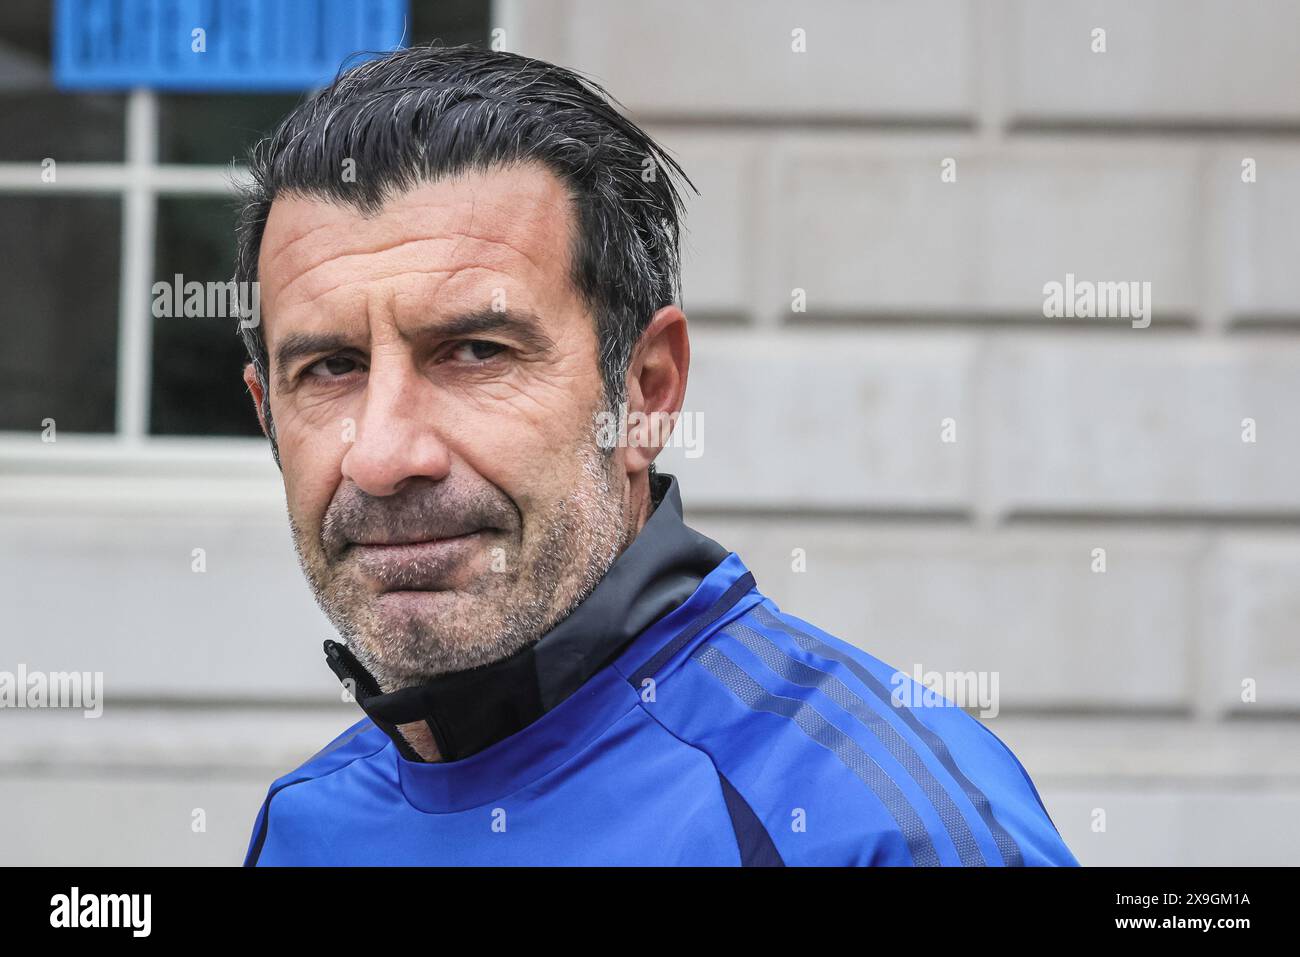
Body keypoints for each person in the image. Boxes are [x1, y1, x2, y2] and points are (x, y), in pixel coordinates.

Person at [236, 43, 1078, 866]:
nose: (383, 455)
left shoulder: (880, 828)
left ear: (644, 392)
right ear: (268, 415)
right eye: (332, 368)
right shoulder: (307, 824)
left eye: (476, 352)